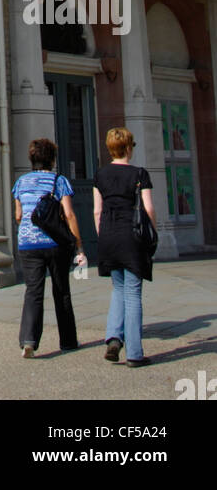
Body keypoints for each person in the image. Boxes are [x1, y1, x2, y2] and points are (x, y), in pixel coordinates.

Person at [13, 137, 87, 357]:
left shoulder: (21, 182)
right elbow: (69, 214)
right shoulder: (59, 181)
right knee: (61, 290)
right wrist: (79, 245)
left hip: (28, 244)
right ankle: (68, 340)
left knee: (33, 291)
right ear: (52, 160)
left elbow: (18, 215)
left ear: (32, 159)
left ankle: (29, 340)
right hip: (56, 243)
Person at [94, 126, 157, 366]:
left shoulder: (100, 175)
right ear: (128, 147)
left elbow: (97, 210)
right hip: (132, 237)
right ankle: (135, 353)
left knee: (118, 289)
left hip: (109, 235)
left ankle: (113, 338)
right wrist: (154, 233)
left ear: (110, 148)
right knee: (132, 292)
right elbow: (148, 208)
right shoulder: (139, 174)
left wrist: (103, 235)